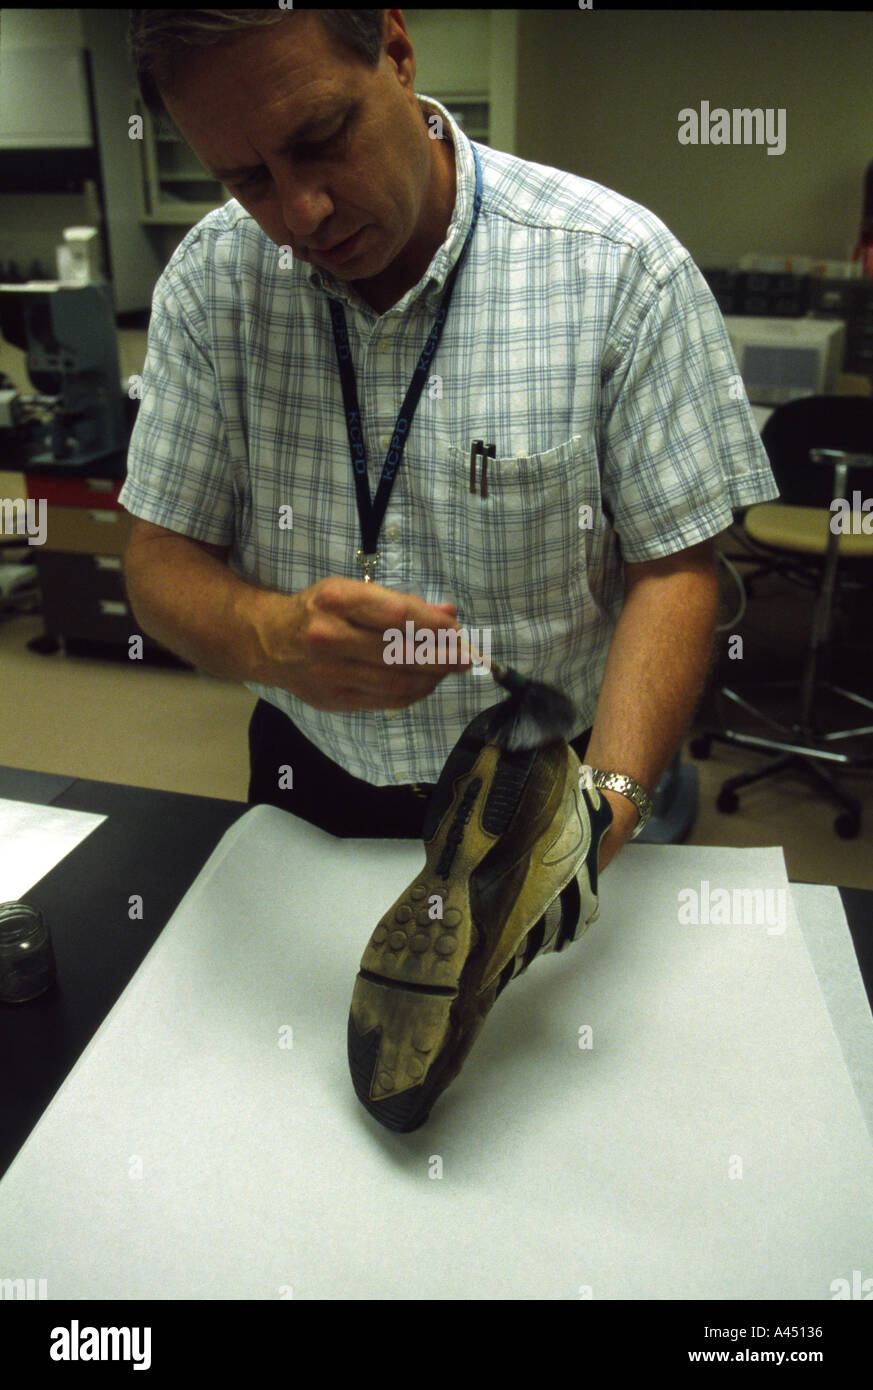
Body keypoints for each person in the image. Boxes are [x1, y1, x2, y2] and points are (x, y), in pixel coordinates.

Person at [121, 7, 778, 1129]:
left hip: (557, 785)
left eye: (323, 138)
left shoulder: (619, 270)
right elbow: (155, 557)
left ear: (396, 47)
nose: (301, 214)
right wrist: (271, 636)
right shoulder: (209, 285)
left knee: (597, 1125)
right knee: (264, 1134)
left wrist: (603, 810)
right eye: (245, 177)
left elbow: (674, 571)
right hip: (310, 790)